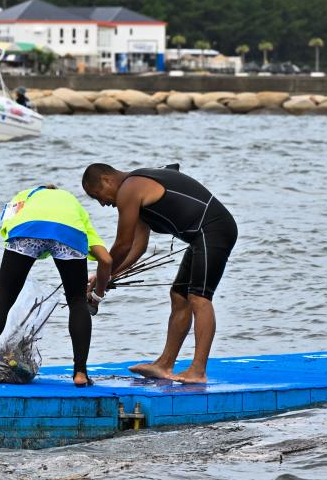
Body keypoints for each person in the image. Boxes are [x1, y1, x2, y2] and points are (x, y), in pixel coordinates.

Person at [82, 163, 238, 384]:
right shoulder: (134, 191)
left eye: (98, 195)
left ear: (107, 180)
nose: (103, 203)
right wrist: (104, 277)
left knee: (199, 297)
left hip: (214, 229)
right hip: (200, 236)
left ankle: (198, 371)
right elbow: (137, 247)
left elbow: (122, 245)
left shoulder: (130, 188)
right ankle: (164, 365)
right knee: (179, 296)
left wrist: (101, 283)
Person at [0, 185, 112, 387]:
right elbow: (106, 260)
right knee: (77, 301)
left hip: (27, 229)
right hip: (67, 233)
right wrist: (97, 296)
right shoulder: (74, 205)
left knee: (4, 296)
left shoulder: (24, 196)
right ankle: (80, 373)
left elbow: (7, 224)